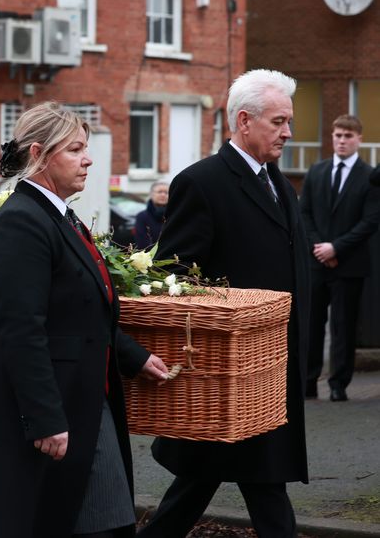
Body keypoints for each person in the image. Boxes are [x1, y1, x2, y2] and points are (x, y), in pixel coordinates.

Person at [0, 102, 169, 538]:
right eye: (76, 148)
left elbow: (79, 307)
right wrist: (44, 418)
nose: (88, 159)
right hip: (47, 408)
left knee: (104, 518)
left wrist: (132, 355)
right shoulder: (21, 223)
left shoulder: (59, 216)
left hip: (81, 399)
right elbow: (19, 328)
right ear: (40, 153)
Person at [137, 69, 311, 538]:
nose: (288, 132)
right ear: (244, 120)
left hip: (270, 364)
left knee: (208, 478)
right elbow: (174, 276)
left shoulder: (278, 181)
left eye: (288, 122)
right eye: (278, 122)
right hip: (230, 369)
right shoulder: (203, 182)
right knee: (255, 480)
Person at [299, 115, 380, 402]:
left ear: (359, 139)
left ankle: (338, 384)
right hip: (316, 262)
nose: (342, 140)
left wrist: (337, 248)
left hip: (350, 263)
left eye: (347, 136)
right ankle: (307, 382)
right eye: (337, 135)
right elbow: (304, 213)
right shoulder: (316, 171)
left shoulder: (370, 176)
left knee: (344, 326)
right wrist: (319, 246)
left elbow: (370, 221)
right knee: (311, 323)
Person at [134, 180, 169, 249]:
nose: (163, 195)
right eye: (159, 192)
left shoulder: (174, 215)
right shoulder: (142, 217)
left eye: (166, 192)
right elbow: (142, 243)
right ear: (151, 194)